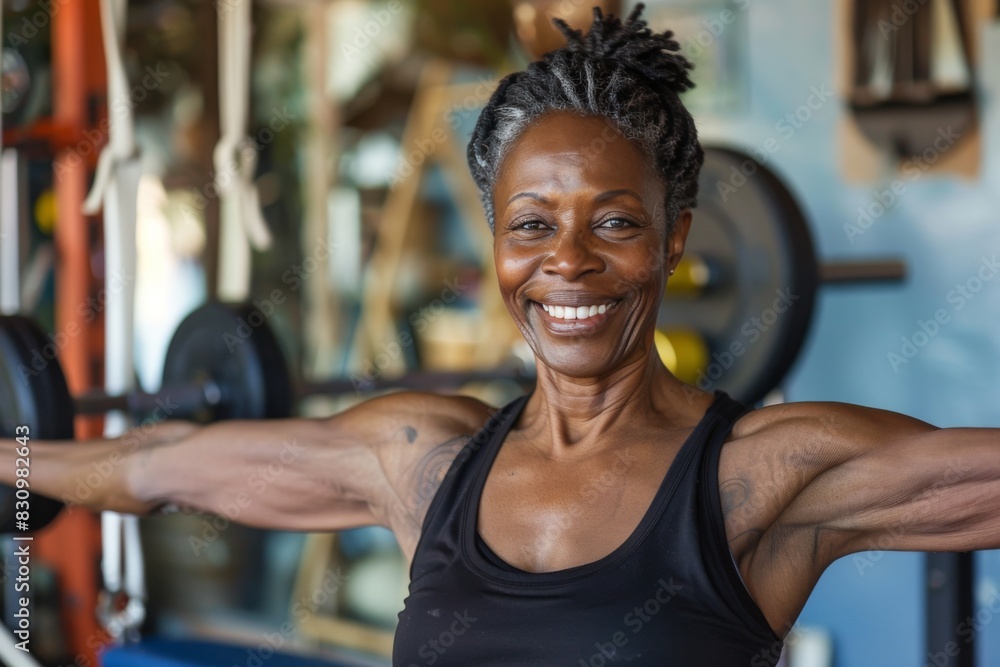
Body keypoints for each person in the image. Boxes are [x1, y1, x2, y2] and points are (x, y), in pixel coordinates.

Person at [3, 5, 998, 665]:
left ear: (676, 237)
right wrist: (13, 459)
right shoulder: (424, 462)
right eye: (531, 225)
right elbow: (163, 464)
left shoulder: (760, 478)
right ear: (496, 245)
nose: (567, 262)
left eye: (613, 222)